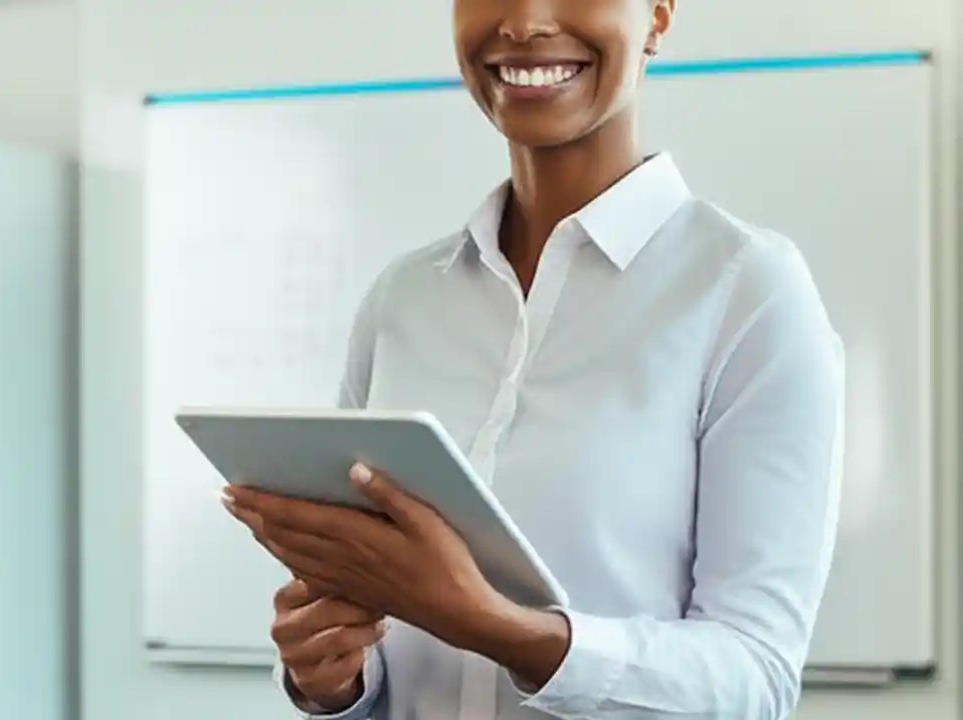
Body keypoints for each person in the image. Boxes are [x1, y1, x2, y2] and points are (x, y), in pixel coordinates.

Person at [220, 0, 846, 717]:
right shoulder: (402, 299)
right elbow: (372, 653)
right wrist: (332, 679)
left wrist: (492, 625)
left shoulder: (747, 292)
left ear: (659, 15)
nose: (523, 21)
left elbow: (754, 678)